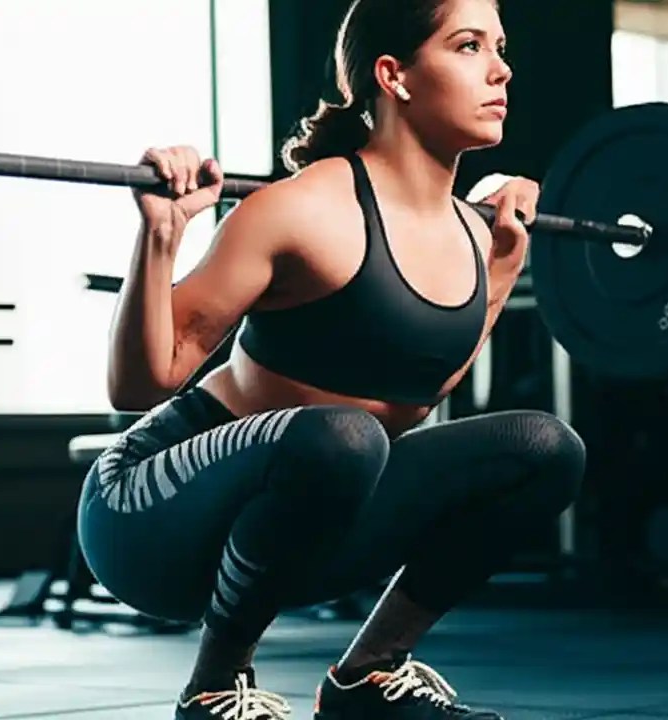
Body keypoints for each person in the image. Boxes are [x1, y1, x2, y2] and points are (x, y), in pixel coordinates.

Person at [77, 0, 587, 718]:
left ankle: (367, 679)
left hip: (307, 524)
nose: (502, 68)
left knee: (543, 449)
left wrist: (500, 268)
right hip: (149, 517)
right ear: (395, 75)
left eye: (499, 46)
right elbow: (137, 384)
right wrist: (160, 237)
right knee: (344, 436)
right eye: (469, 46)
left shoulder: (473, 237)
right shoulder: (301, 211)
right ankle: (215, 688)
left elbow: (418, 390)